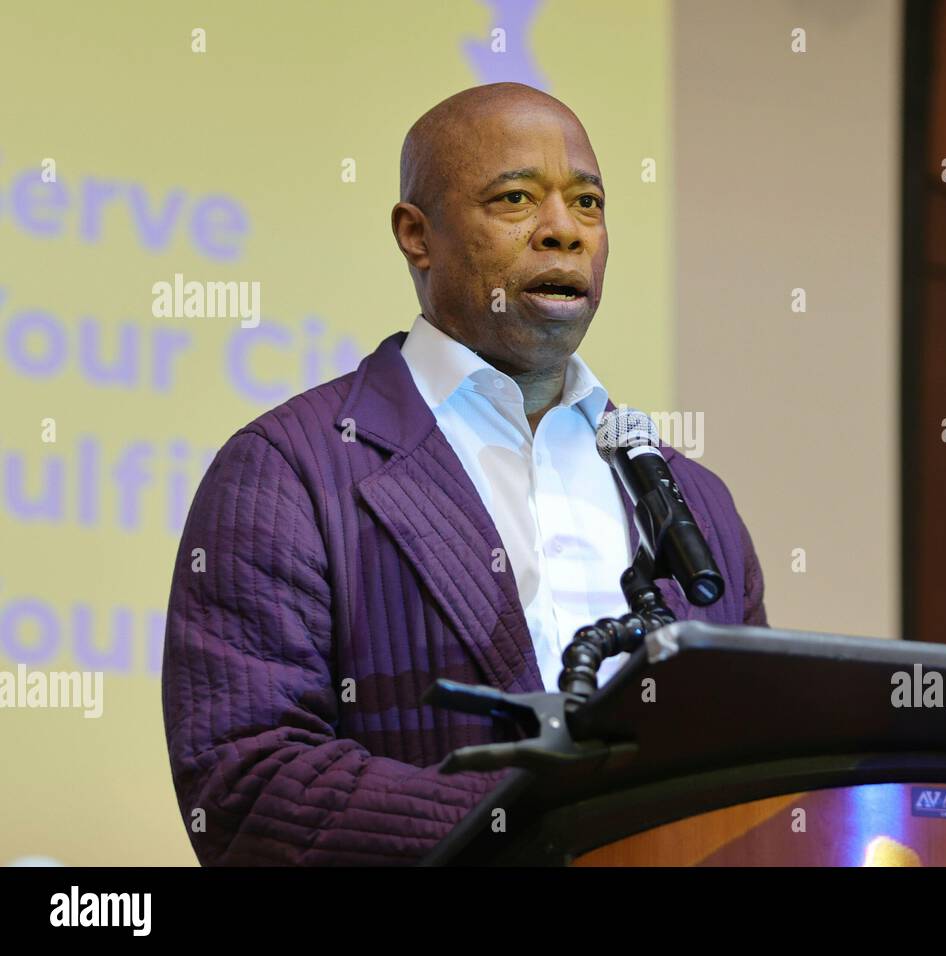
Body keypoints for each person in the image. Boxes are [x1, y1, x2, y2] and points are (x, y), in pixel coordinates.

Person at [161, 82, 767, 866]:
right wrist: (555, 824)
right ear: (418, 235)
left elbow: (758, 770)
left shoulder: (694, 503)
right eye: (516, 199)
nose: (564, 232)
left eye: (588, 204)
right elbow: (247, 784)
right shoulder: (288, 472)